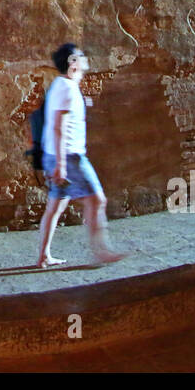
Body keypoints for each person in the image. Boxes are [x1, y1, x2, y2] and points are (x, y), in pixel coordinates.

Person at [35, 43, 127, 267]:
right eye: (80, 56)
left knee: (56, 207)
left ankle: (44, 256)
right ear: (72, 63)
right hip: (69, 157)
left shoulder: (61, 85)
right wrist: (61, 165)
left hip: (57, 155)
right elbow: (59, 126)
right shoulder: (66, 88)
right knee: (97, 200)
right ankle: (101, 252)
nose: (85, 58)